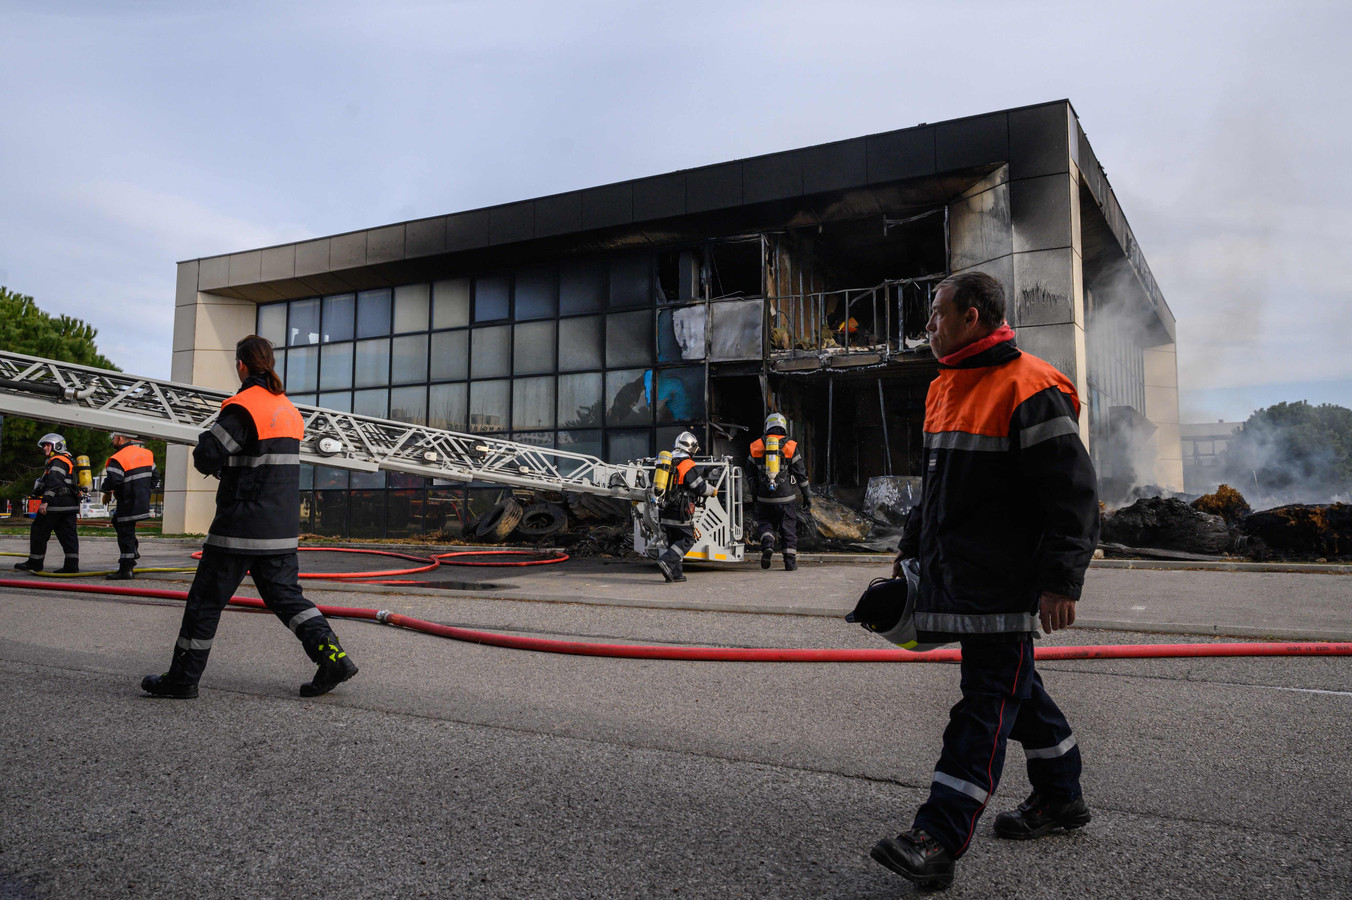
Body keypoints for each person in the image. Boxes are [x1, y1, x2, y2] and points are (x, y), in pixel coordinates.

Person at [869, 271, 1100, 890]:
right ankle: (1061, 798)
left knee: (987, 701)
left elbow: (1073, 497)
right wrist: (910, 552)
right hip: (963, 577)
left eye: (938, 313)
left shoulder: (1031, 385)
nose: (929, 325)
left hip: (1005, 585)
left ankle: (938, 837)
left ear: (972, 316)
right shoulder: (947, 386)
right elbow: (936, 488)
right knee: (1021, 695)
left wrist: (1061, 581)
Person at [141, 335, 358, 700]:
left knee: (204, 604)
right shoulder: (288, 409)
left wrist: (206, 437)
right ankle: (333, 658)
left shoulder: (243, 407)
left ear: (241, 364)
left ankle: (181, 680)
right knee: (289, 600)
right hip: (280, 530)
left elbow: (207, 457)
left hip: (239, 529)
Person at [745, 413, 811, 571]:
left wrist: (755, 495)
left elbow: (750, 474)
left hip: (764, 498)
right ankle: (790, 563)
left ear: (767, 426)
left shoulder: (756, 445)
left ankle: (767, 544)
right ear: (784, 426)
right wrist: (807, 496)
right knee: (788, 528)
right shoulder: (791, 446)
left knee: (765, 524)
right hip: (786, 497)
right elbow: (801, 475)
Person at [14, 433, 81, 574]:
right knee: (68, 535)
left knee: (39, 530)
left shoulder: (57, 460)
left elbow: (54, 482)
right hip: (70, 504)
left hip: (57, 504)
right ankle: (71, 566)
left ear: (56, 446)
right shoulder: (68, 459)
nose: (44, 448)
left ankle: (35, 563)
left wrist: (45, 501)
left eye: (47, 445)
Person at [656, 431, 717, 583]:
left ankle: (675, 574)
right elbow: (699, 487)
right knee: (688, 539)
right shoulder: (687, 464)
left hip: (665, 509)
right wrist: (712, 491)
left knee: (674, 541)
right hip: (680, 510)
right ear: (691, 447)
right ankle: (667, 560)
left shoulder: (667, 461)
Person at [101, 433, 156, 580]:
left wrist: (106, 490)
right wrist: (145, 491)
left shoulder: (119, 458)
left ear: (120, 439)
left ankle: (126, 569)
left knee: (125, 535)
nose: (112, 441)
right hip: (141, 501)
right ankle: (133, 550)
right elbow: (155, 476)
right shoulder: (146, 454)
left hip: (127, 502)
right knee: (121, 526)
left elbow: (113, 480)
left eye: (113, 438)